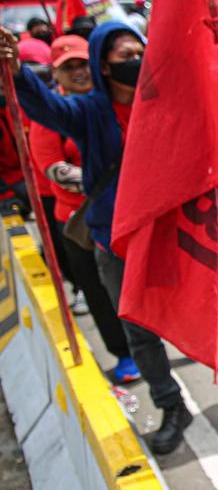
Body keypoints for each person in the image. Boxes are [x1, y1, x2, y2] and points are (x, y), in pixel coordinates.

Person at [0, 20, 218, 456]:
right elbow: (46, 111)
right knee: (140, 334)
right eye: (124, 56)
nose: (135, 62)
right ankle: (172, 407)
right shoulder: (91, 111)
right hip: (118, 243)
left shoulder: (166, 103)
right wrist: (17, 71)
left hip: (177, 236)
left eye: (140, 53)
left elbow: (211, 135)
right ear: (104, 64)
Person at [28, 35, 138, 381]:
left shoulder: (122, 101)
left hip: (131, 217)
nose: (77, 72)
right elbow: (52, 168)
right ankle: (124, 354)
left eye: (81, 63)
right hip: (82, 222)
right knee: (101, 293)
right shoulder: (52, 116)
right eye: (68, 67)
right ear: (55, 75)